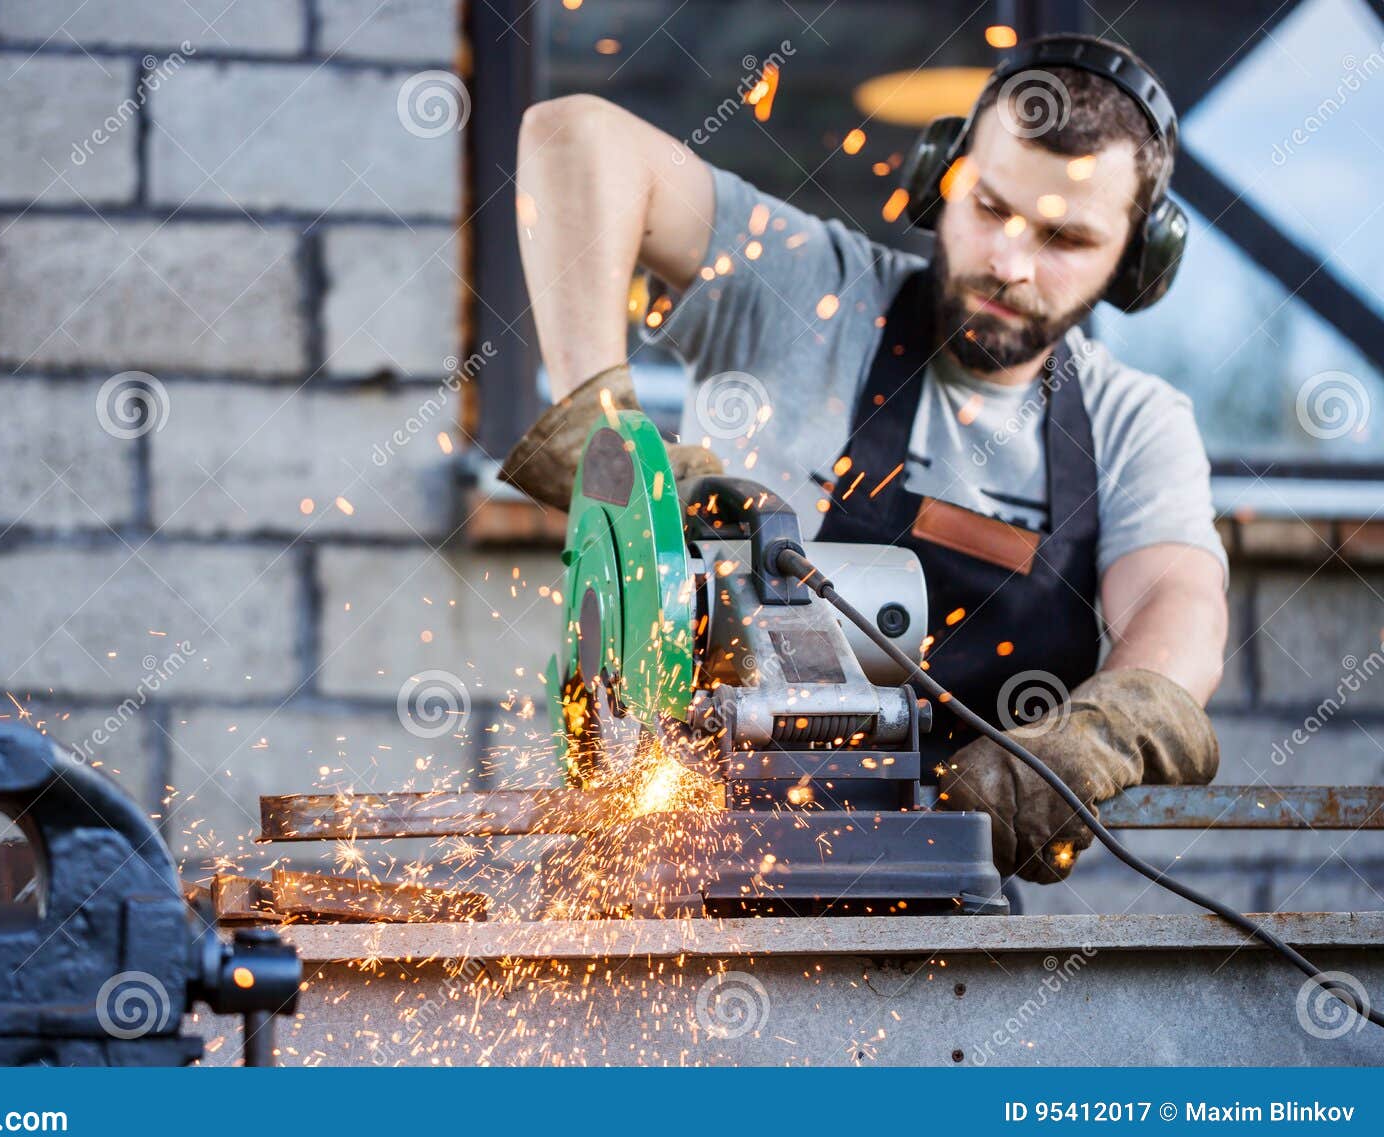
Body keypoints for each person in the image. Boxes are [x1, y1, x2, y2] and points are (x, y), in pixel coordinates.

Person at [500, 35, 1225, 888]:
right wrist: (602, 425)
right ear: (940, 177)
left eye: (1065, 238)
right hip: (673, 868)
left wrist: (1103, 732)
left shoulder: (1133, 422)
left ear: (1138, 261)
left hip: (945, 911)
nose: (1008, 261)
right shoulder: (808, 290)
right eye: (990, 207)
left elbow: (1180, 606)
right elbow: (569, 137)